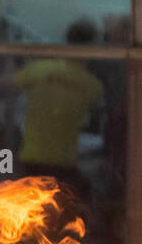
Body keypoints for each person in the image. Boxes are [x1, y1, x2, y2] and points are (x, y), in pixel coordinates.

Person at [6, 19, 103, 204]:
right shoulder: (92, 86)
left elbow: (0, 86)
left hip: (31, 159)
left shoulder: (39, 70)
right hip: (63, 164)